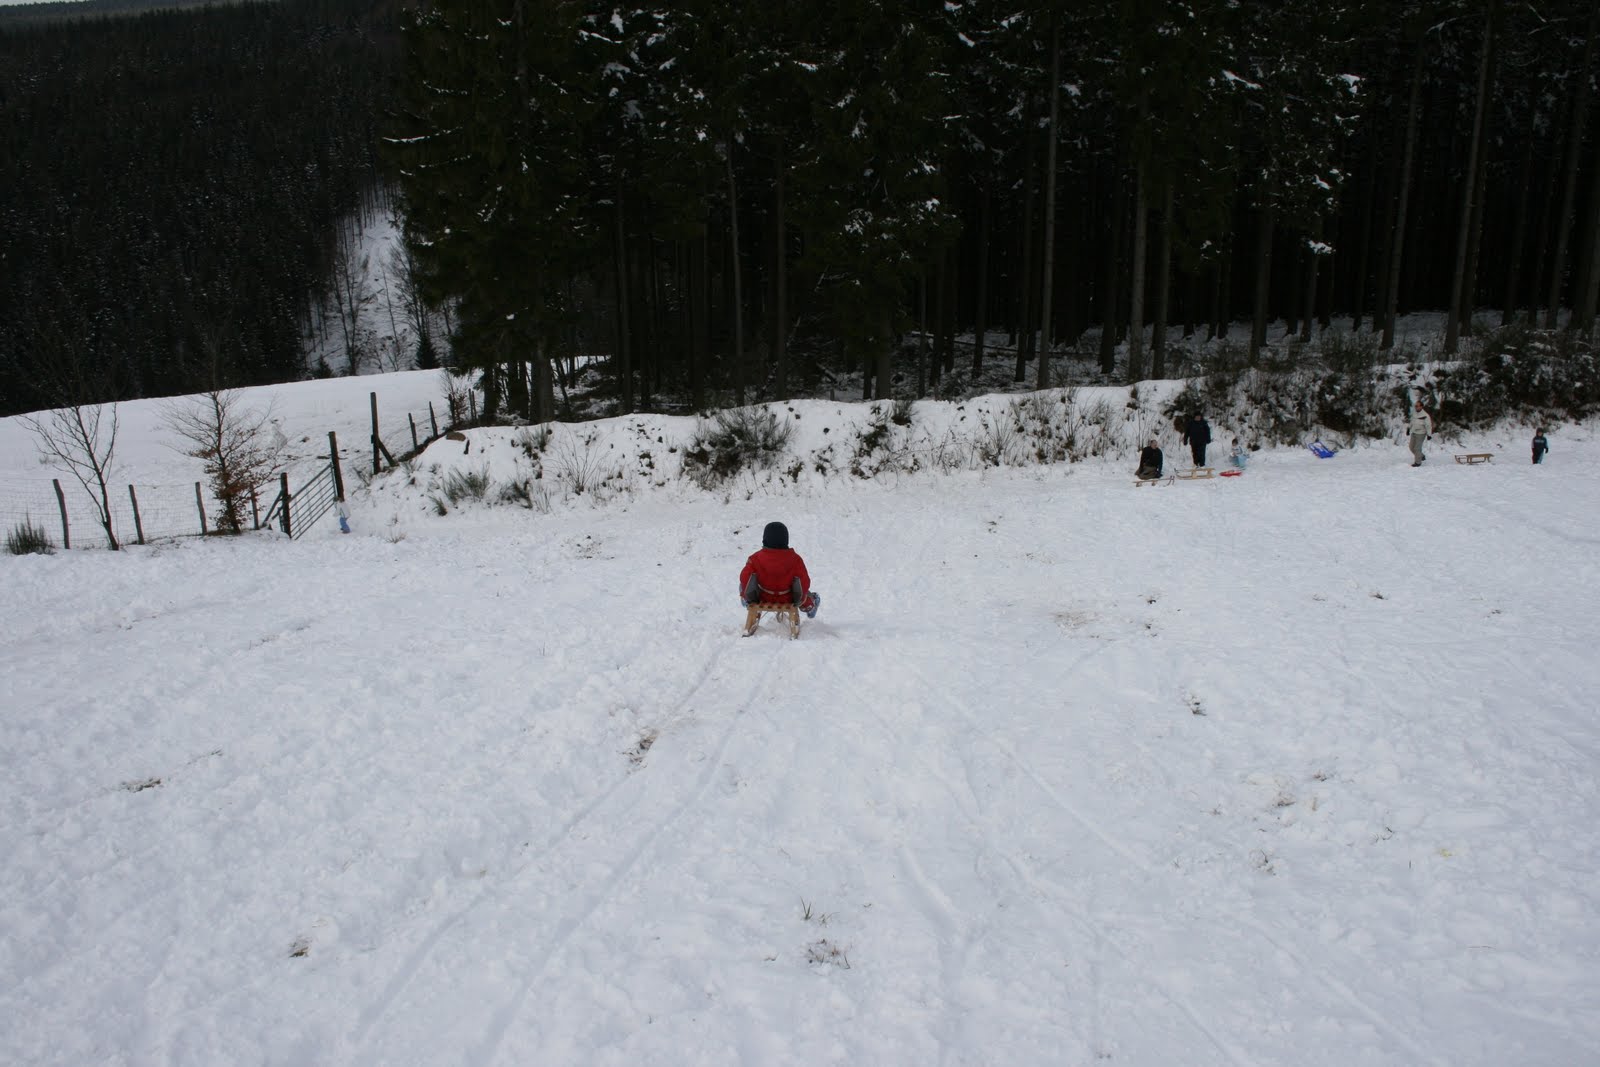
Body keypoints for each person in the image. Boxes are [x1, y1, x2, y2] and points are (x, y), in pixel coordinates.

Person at [740, 521, 820, 618]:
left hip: (763, 597)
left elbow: (745, 579)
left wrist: (748, 596)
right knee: (803, 590)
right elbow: (804, 582)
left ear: (765, 539)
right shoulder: (795, 559)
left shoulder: (755, 558)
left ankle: (746, 601)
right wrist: (801, 599)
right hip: (788, 599)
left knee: (743, 582)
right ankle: (809, 606)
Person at [1407, 399, 1433, 467]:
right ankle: (1421, 456)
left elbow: (1428, 425)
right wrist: (1408, 428)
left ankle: (1418, 462)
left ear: (1421, 407)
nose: (1416, 407)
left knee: (1417, 448)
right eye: (1415, 406)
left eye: (1417, 406)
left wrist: (1429, 434)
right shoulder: (1414, 413)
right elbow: (1411, 421)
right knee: (1411, 447)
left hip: (1421, 433)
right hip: (1414, 432)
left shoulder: (1425, 415)